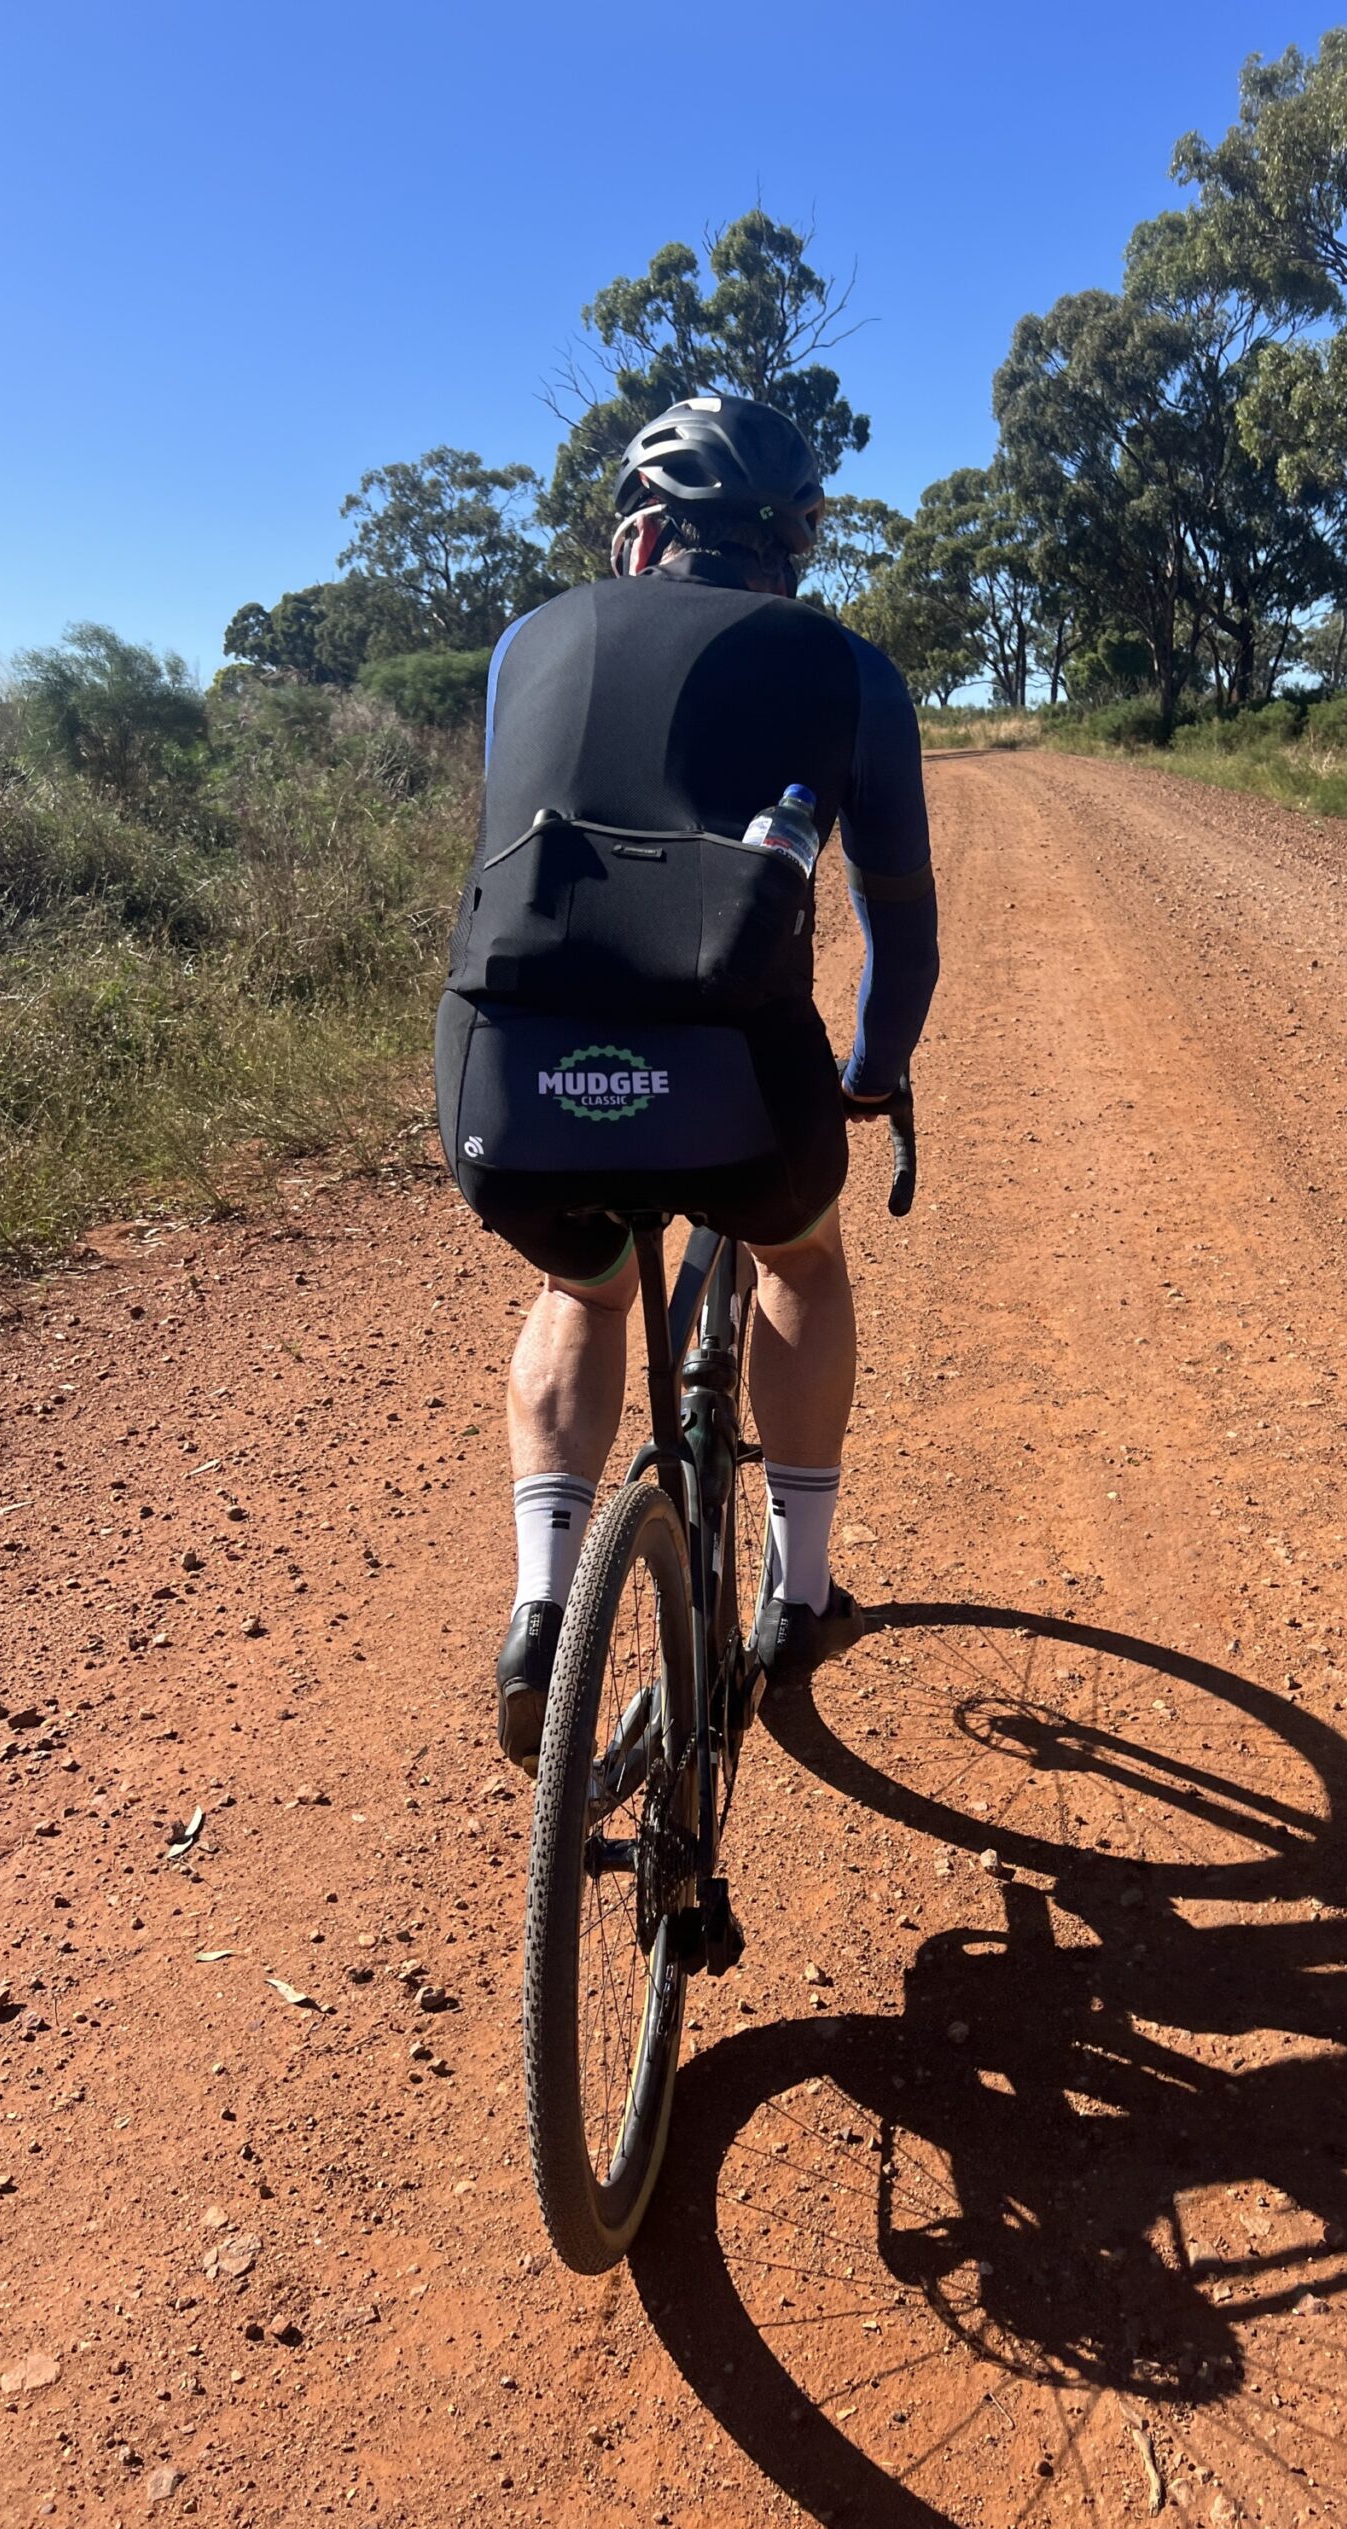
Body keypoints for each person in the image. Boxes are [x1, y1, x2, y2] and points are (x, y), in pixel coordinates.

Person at [434, 394, 939, 1764]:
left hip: (514, 1080)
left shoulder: (527, 642)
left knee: (581, 1289)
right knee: (803, 1263)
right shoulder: (852, 673)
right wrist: (869, 1077)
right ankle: (805, 1588)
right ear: (792, 553)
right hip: (740, 1087)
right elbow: (907, 939)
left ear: (641, 535)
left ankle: (545, 1605)